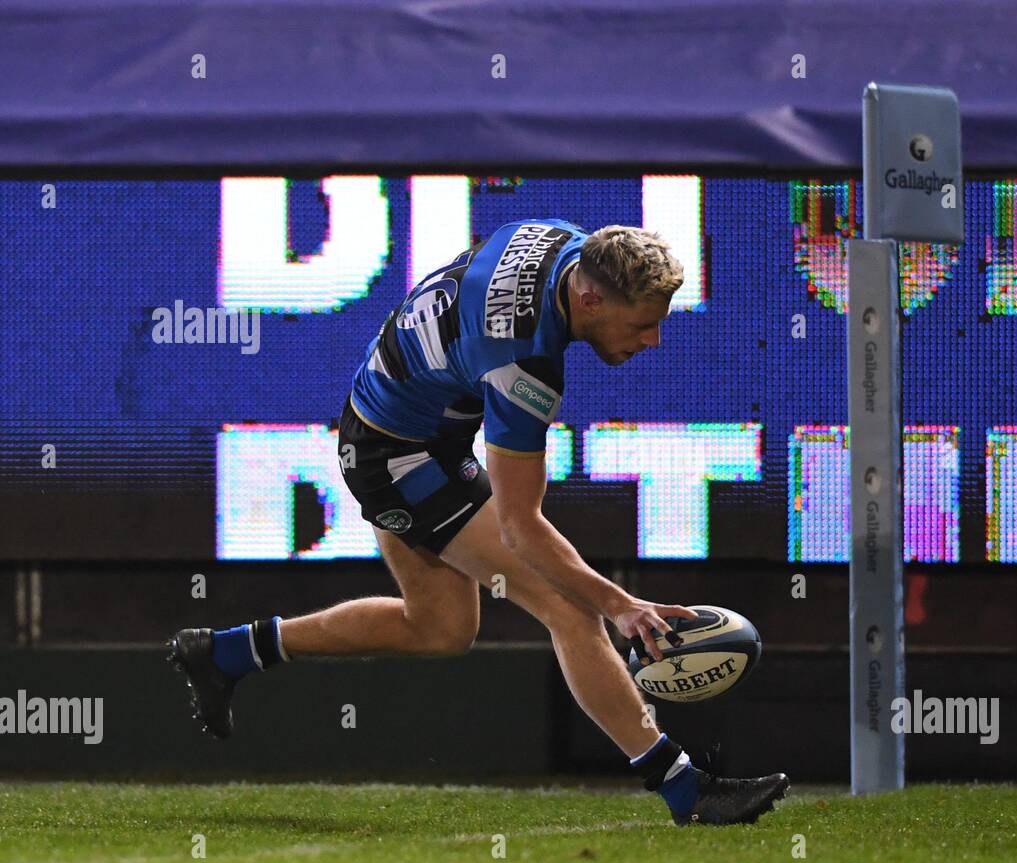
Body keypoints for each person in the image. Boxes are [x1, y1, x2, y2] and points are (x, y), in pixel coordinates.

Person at [167, 219, 789, 826]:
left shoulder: (564, 241)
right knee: (571, 607)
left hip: (395, 421)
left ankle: (226, 653)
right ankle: (686, 789)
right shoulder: (522, 362)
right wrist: (620, 603)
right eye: (643, 324)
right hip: (401, 455)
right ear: (591, 298)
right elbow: (521, 525)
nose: (652, 340)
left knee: (438, 627)